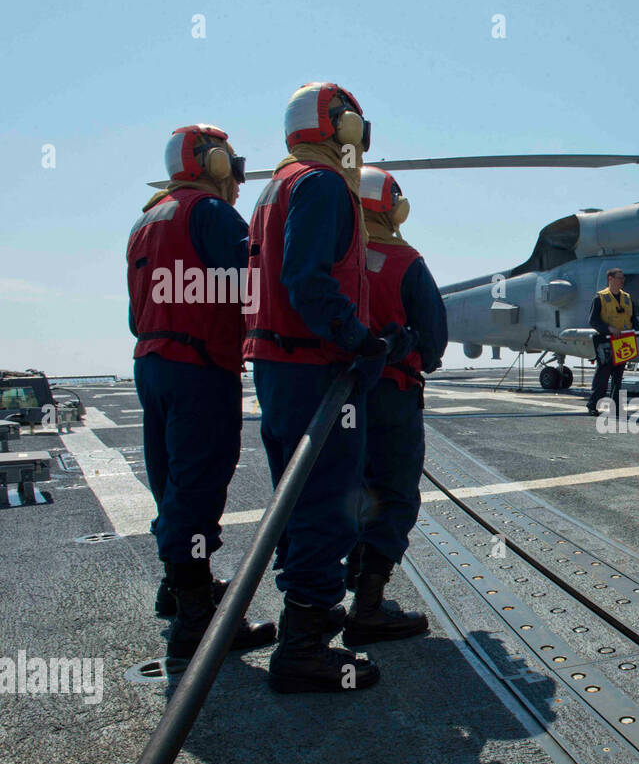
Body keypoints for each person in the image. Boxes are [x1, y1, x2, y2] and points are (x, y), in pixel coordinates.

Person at [245, 82, 391, 693]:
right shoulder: (325, 184)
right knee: (329, 503)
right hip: (315, 369)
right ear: (339, 126)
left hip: (279, 368)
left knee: (297, 499)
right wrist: (358, 338)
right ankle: (305, 648)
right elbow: (307, 281)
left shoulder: (272, 189)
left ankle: (299, 628)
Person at [127, 124, 275, 658]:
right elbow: (252, 282)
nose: (236, 180)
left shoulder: (148, 219)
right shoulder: (209, 213)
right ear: (213, 164)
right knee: (199, 481)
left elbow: (133, 315)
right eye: (233, 167)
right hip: (200, 365)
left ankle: (178, 584)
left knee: (170, 477)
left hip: (153, 363)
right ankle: (196, 618)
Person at [342, 166, 448, 641]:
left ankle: (318, 601)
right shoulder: (407, 261)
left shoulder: (333, 258)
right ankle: (367, 606)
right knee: (396, 493)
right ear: (394, 208)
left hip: (335, 395)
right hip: (393, 395)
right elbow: (434, 345)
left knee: (337, 488)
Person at [587, 267, 639, 415]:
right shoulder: (600, 298)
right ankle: (593, 405)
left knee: (618, 376)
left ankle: (616, 406)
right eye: (619, 278)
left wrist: (636, 329)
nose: (622, 281)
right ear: (610, 279)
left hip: (623, 341)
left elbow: (633, 318)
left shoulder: (627, 298)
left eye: (623, 278)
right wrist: (609, 329)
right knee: (603, 375)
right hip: (606, 341)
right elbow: (593, 321)